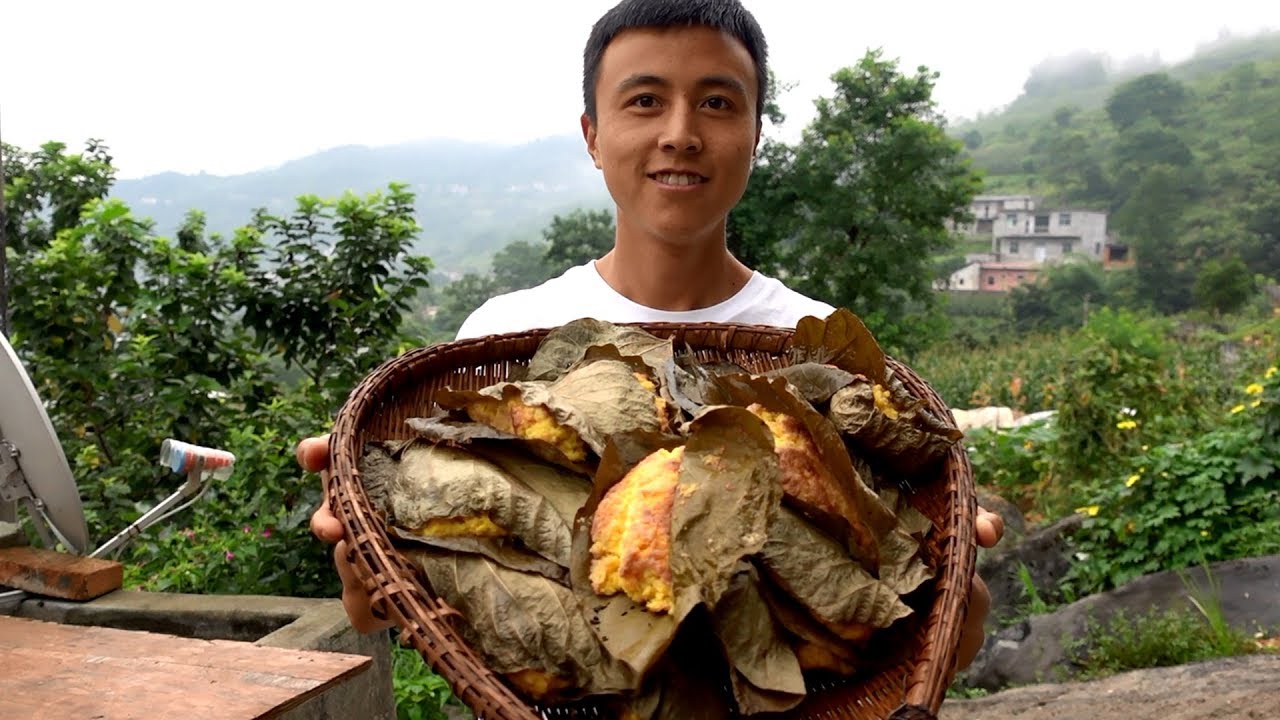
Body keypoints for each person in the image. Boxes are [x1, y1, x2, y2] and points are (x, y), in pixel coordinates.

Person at [301, 0, 1003, 677]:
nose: (680, 133)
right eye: (644, 100)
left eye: (717, 102)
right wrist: (372, 557)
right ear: (592, 135)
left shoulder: (815, 348)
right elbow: (394, 608)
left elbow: (937, 639)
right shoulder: (501, 337)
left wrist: (952, 610)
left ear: (756, 134)